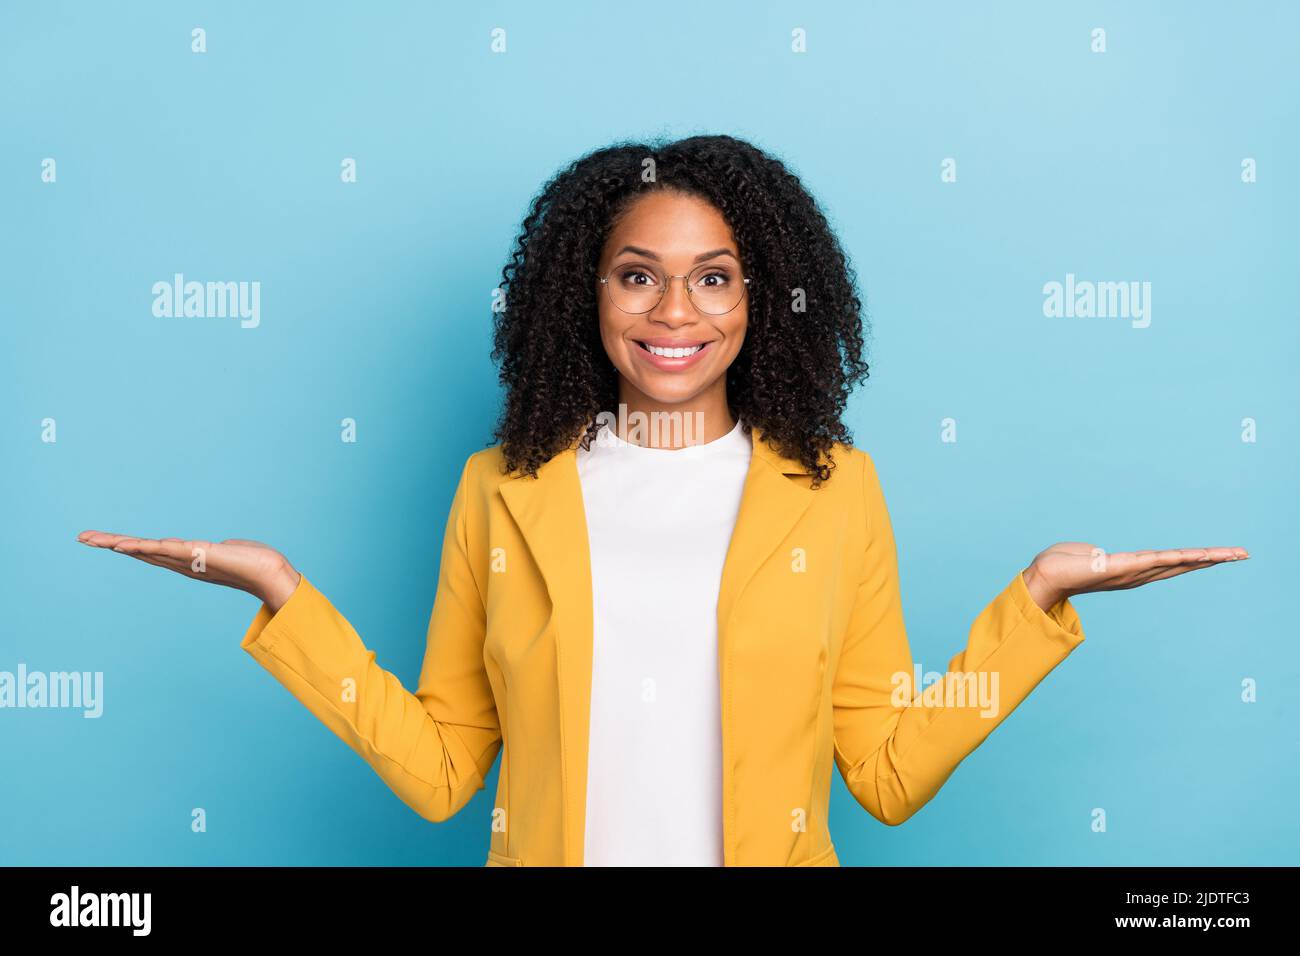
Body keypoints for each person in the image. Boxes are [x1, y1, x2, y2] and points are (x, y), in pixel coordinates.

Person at [77, 134, 1247, 866]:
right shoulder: (502, 492)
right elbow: (440, 773)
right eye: (638, 275)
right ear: (582, 295)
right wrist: (282, 597)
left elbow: (884, 775)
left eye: (713, 277)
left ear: (762, 297)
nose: (673, 311)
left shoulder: (833, 492)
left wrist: (1036, 598)